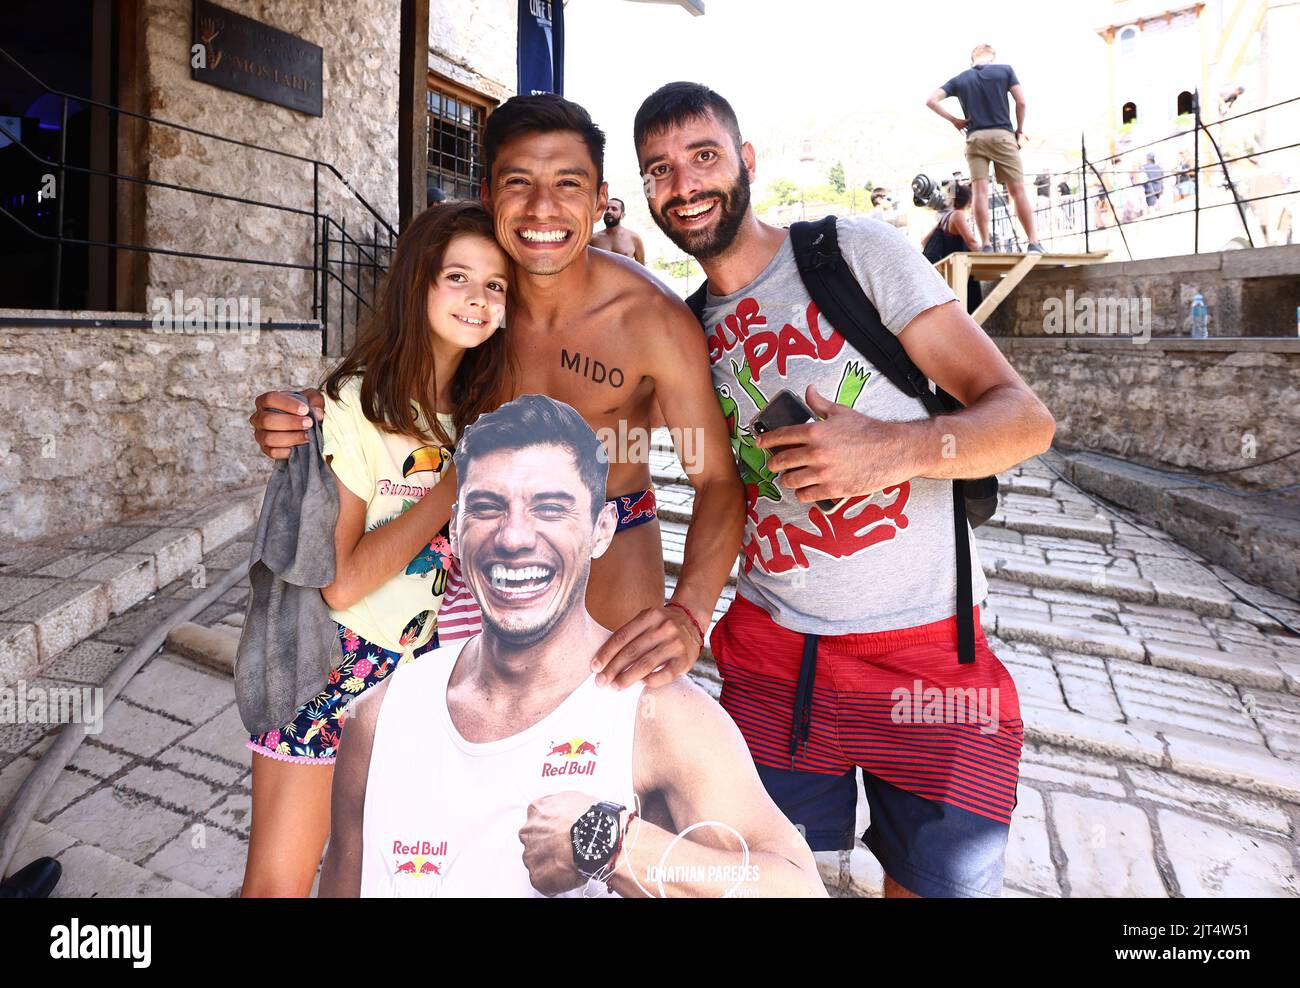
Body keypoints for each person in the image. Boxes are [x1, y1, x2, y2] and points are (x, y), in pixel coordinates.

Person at [635, 81, 1056, 898]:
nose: (684, 185)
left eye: (703, 156)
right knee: (746, 881)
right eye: (659, 170)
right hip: (772, 658)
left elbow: (1025, 419)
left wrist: (890, 451)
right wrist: (688, 612)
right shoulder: (685, 333)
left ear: (746, 160)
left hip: (927, 659)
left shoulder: (849, 254)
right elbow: (719, 489)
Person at [249, 94, 744, 693]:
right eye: (518, 182)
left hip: (610, 546)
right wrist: (309, 415)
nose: (543, 206)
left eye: (568, 183)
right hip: (477, 553)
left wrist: (690, 612)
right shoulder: (475, 310)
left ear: (599, 199)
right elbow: (398, 388)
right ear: (487, 194)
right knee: (476, 730)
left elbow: (716, 479)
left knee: (601, 725)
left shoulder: (652, 320)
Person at [318, 395, 826, 898]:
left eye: (550, 508)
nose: (514, 537)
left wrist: (613, 845)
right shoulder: (379, 716)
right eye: (488, 507)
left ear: (601, 529)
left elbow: (799, 888)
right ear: (455, 527)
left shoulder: (658, 717)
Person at [241, 201, 513, 897]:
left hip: (411, 676)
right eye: (458, 277)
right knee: (278, 882)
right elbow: (341, 581)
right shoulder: (353, 405)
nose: (478, 298)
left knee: (364, 873)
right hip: (326, 668)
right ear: (418, 283)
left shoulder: (475, 413)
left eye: (495, 284)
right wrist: (451, 488)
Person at [926, 44, 1044, 252]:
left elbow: (931, 100)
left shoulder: (961, 79)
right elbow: (1021, 102)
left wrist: (954, 120)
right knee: (1017, 190)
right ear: (992, 57)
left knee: (980, 192)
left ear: (972, 59)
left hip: (975, 139)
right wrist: (1019, 129)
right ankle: (1033, 242)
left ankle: (987, 245)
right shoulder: (1005, 71)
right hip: (1002, 135)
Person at [921, 181, 984, 314]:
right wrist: (985, 257)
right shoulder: (958, 215)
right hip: (962, 270)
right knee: (971, 310)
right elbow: (971, 241)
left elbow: (924, 241)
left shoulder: (944, 218)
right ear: (969, 201)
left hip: (949, 270)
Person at [591, 196, 646, 263]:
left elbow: (641, 267)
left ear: (622, 215)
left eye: (614, 209)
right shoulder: (593, 239)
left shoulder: (634, 239)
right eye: (607, 208)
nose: (609, 211)